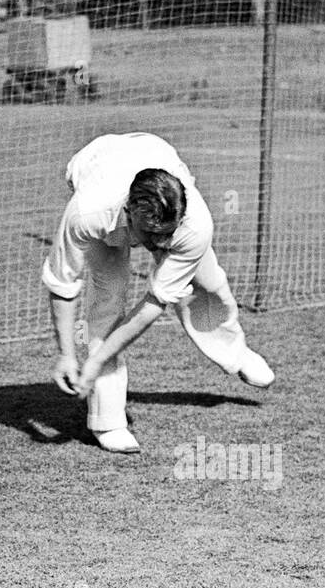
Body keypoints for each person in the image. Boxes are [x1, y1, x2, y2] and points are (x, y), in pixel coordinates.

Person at [42, 132, 274, 455]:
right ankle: (108, 420)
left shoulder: (195, 224)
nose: (161, 246)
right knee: (106, 302)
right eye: (151, 235)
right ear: (128, 212)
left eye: (169, 234)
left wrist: (94, 360)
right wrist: (69, 355)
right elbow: (61, 281)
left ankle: (236, 353)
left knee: (205, 283)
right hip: (94, 165)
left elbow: (154, 304)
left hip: (154, 152)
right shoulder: (87, 213)